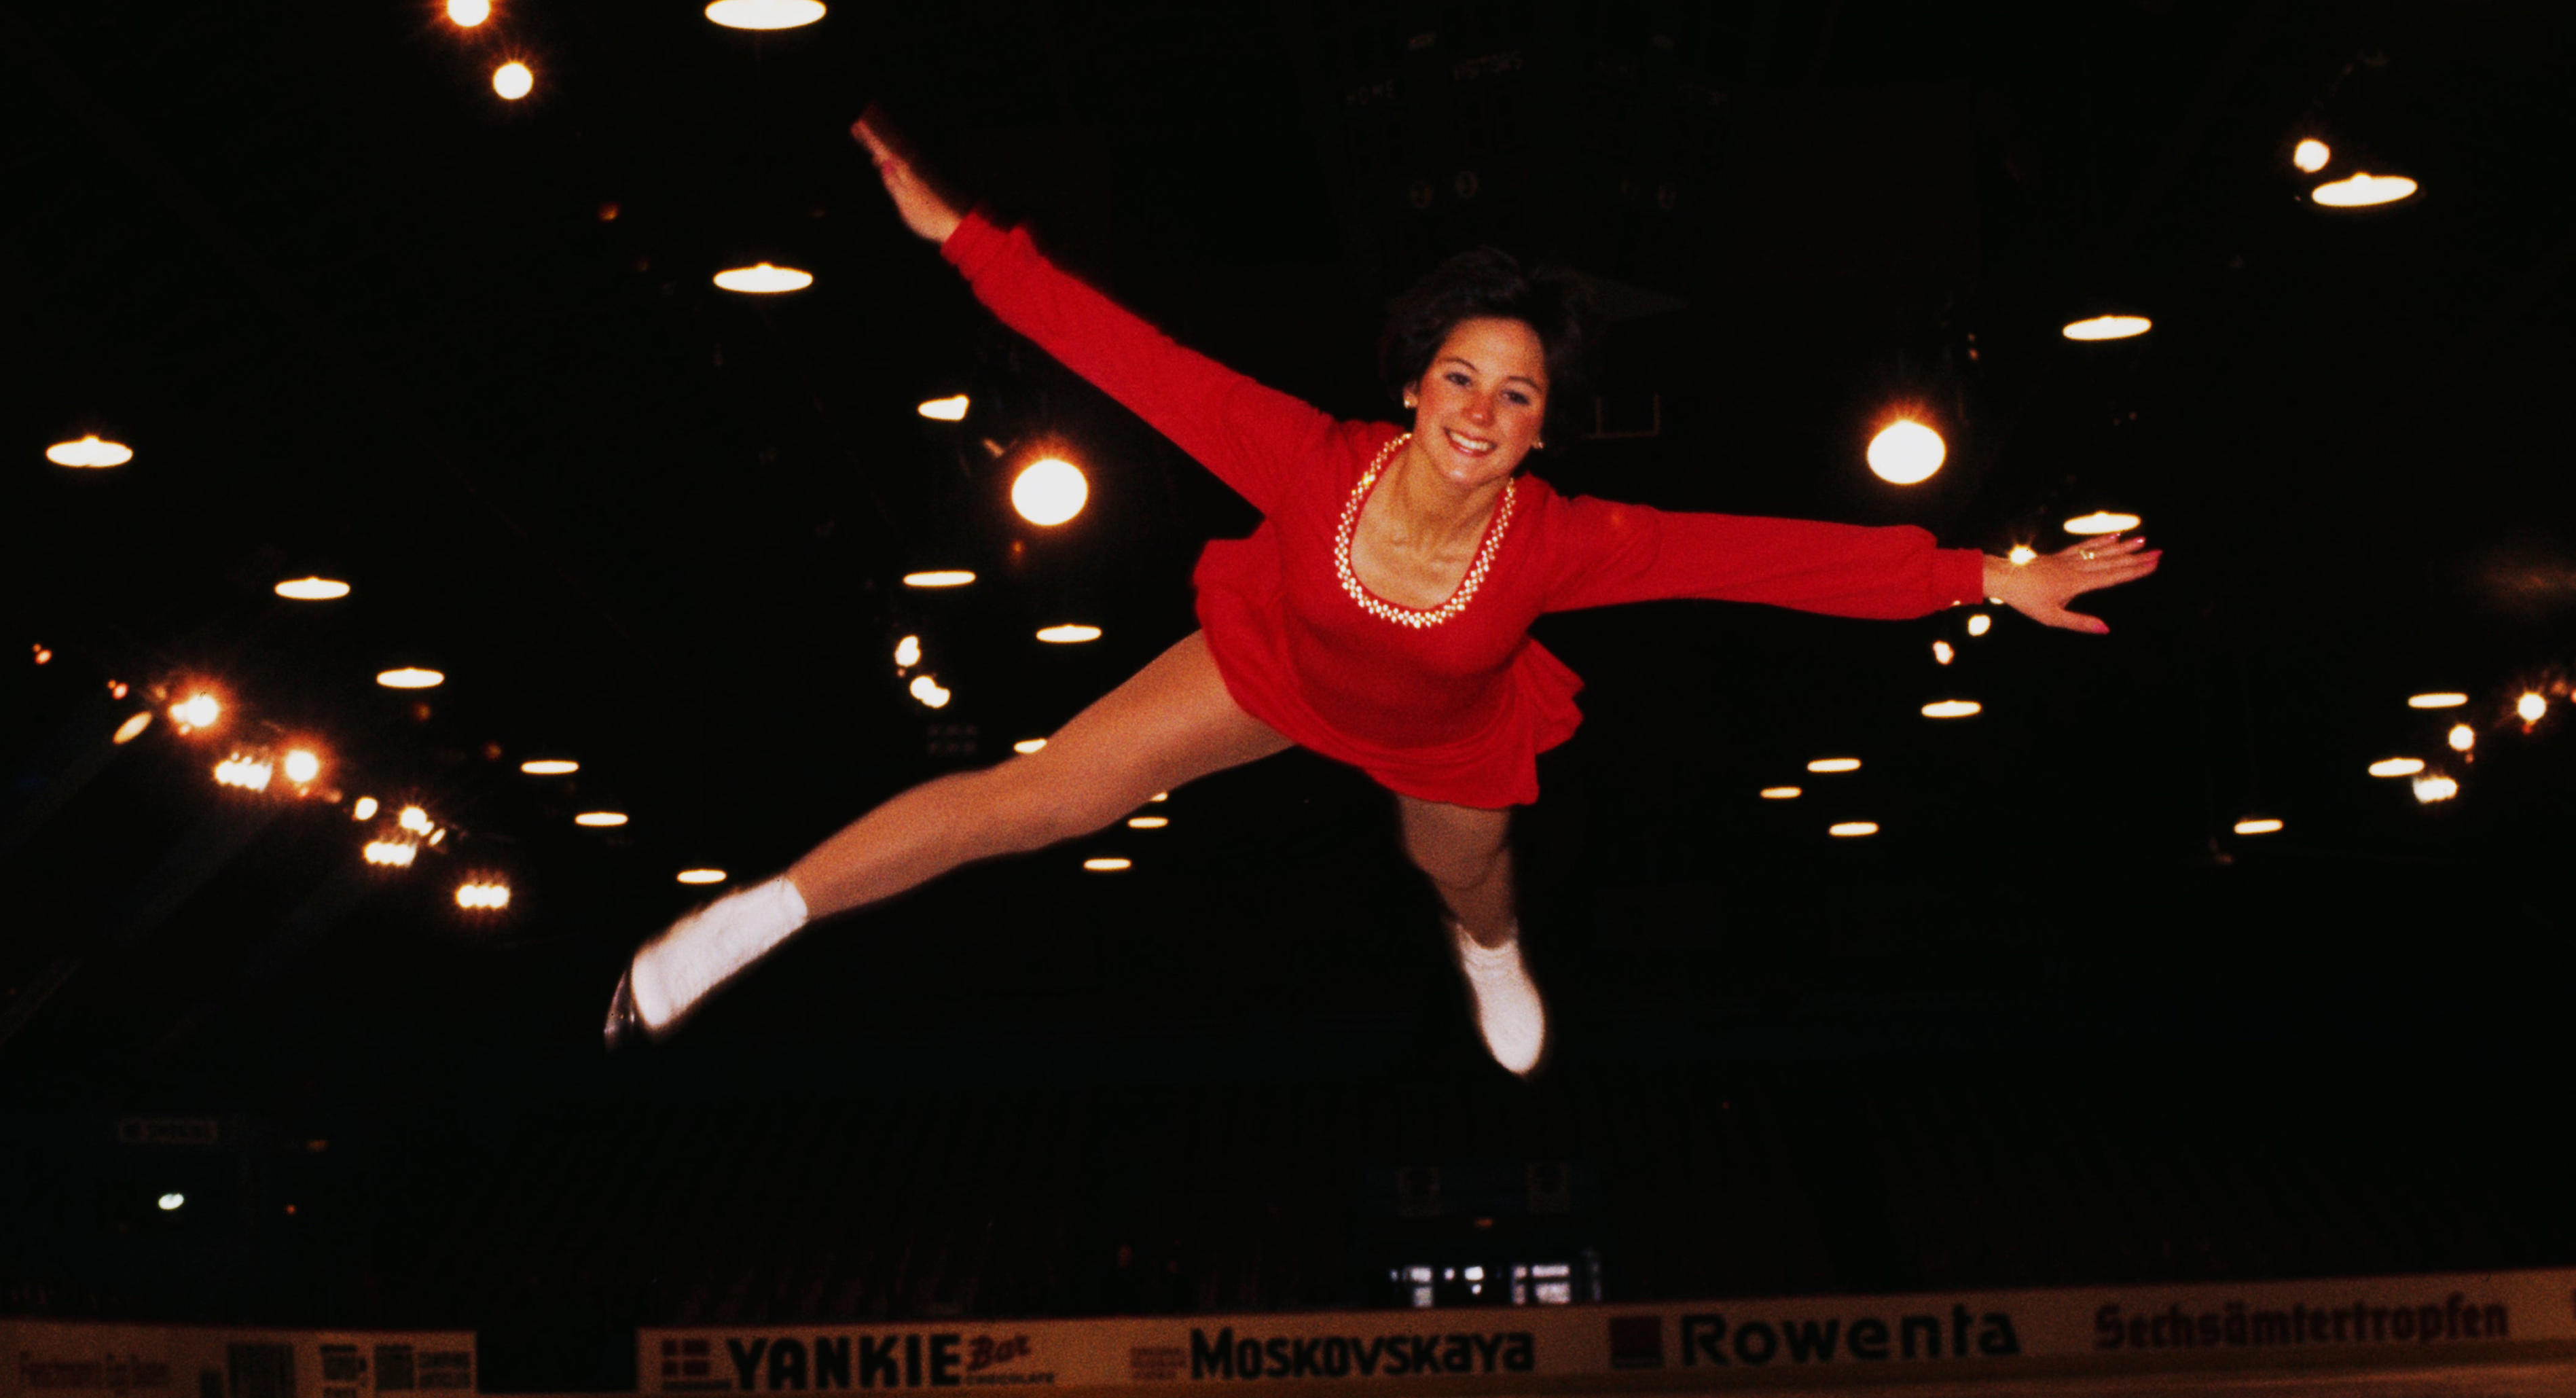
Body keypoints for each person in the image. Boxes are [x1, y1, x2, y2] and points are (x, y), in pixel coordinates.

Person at [604, 116, 2162, 1074]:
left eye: (1523, 395)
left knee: (1471, 888)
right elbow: (1126, 355)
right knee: (1041, 794)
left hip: (1443, 729)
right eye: (1464, 377)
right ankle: (754, 917)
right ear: (1416, 389)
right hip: (1270, 665)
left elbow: (1764, 558)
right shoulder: (1307, 458)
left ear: (1543, 427)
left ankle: (1492, 960)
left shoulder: (1560, 540)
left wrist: (1984, 575)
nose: (1487, 410)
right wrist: (964, 242)